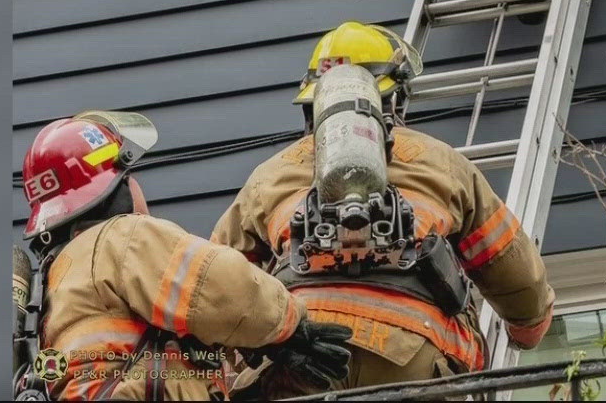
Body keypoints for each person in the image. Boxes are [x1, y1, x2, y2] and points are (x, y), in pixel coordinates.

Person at [212, 23, 555, 395]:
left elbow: (217, 287)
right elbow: (517, 277)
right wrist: (527, 330)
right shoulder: (442, 162)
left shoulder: (269, 175)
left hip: (304, 358)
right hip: (418, 362)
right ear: (395, 98)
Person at [19, 110, 352, 400]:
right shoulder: (121, 237)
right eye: (128, 176)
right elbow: (219, 286)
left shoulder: (54, 281)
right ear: (114, 188)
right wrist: (292, 326)